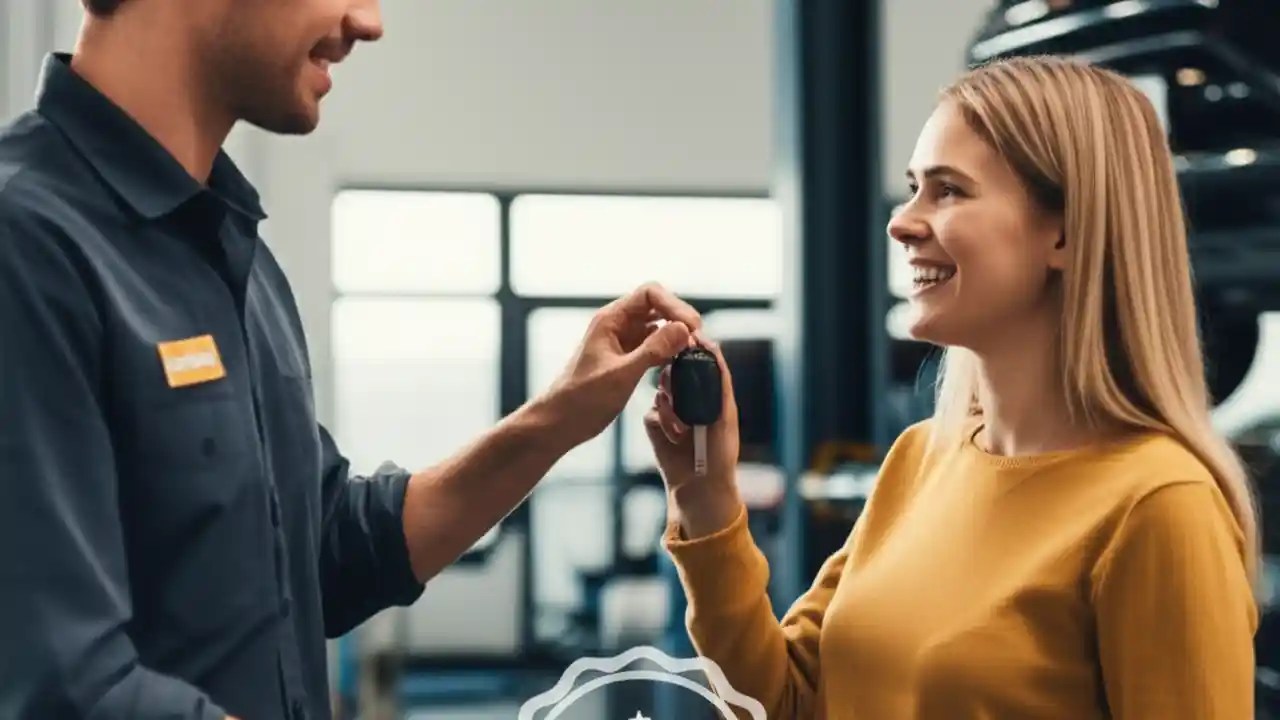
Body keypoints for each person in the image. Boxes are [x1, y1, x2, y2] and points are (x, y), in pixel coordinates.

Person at [0, 1, 703, 719]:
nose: (368, 20)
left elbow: (326, 552)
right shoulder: (26, 243)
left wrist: (562, 416)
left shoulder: (234, 256)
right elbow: (65, 690)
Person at [646, 55, 1260, 719]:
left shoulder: (1158, 506)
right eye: (913, 187)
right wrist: (706, 502)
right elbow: (782, 702)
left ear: (1066, 230)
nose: (902, 222)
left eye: (949, 190)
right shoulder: (920, 460)